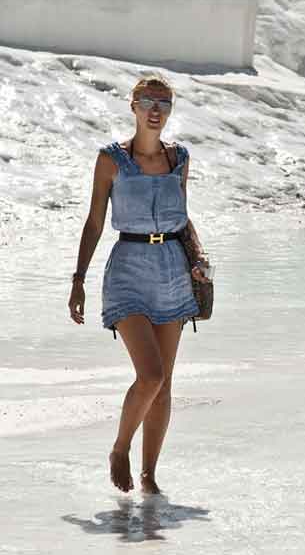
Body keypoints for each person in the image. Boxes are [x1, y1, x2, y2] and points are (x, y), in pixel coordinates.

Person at [67, 74, 211, 494]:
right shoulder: (111, 159)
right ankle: (120, 448)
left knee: (165, 383)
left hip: (172, 270)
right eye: (148, 101)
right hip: (128, 268)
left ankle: (150, 478)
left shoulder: (179, 158)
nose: (155, 110)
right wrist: (78, 279)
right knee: (148, 376)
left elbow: (184, 219)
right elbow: (95, 222)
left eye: (164, 103)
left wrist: (198, 257)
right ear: (132, 106)